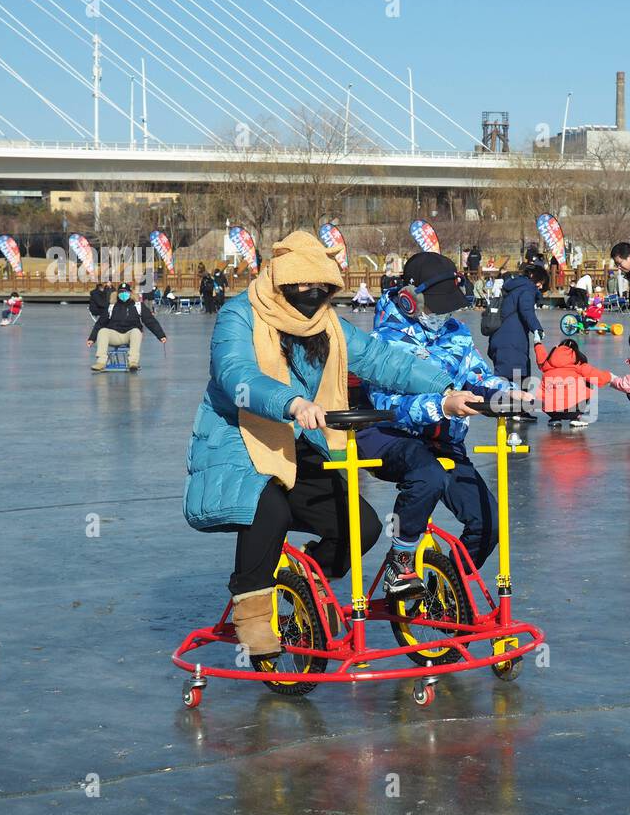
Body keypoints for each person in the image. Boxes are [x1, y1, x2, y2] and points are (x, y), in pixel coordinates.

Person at [184, 231, 462, 660]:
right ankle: (253, 613)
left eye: (322, 288)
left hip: (301, 440)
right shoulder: (241, 315)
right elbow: (234, 372)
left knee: (361, 527)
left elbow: (381, 360)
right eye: (303, 287)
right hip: (240, 437)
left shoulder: (328, 323)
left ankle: (311, 583)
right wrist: (290, 401)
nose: (313, 295)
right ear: (281, 282)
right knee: (268, 509)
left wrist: (449, 390)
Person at [358, 251, 517, 596]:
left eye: (449, 306)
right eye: (436, 306)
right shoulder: (385, 341)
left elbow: (476, 376)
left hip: (443, 439)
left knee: (488, 523)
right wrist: (443, 405)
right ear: (409, 300)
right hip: (389, 434)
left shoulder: (455, 332)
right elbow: (387, 405)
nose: (443, 314)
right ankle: (400, 561)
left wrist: (509, 394)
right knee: (426, 475)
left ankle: (447, 591)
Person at [487, 263, 547, 409]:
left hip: (501, 337)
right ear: (534, 278)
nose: (540, 287)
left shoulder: (514, 287)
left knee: (507, 374)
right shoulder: (527, 288)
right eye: (540, 283)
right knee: (518, 374)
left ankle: (509, 408)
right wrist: (537, 329)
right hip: (513, 339)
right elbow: (527, 310)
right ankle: (517, 410)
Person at [87, 281, 167, 371]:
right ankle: (101, 362)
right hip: (115, 335)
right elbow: (100, 323)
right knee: (103, 331)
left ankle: (133, 362)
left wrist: (161, 336)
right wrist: (92, 338)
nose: (123, 294)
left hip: (130, 336)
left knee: (136, 331)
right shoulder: (111, 306)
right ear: (117, 294)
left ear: (130, 293)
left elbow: (150, 321)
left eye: (125, 292)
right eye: (121, 292)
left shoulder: (138, 306)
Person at [534, 339, 612, 427]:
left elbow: (540, 356)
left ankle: (555, 419)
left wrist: (537, 343)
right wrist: (610, 377)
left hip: (551, 410)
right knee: (589, 381)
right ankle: (575, 417)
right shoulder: (578, 365)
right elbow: (599, 377)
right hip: (571, 410)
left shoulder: (546, 365)